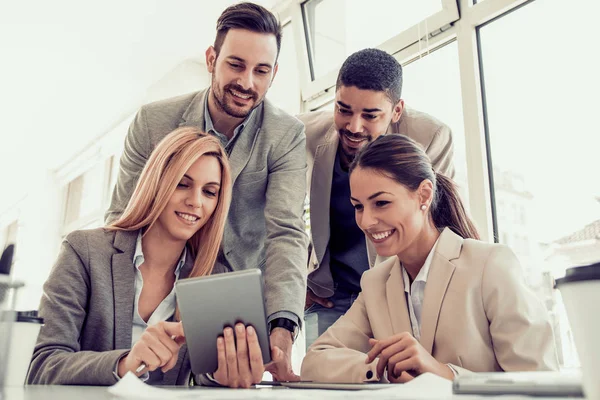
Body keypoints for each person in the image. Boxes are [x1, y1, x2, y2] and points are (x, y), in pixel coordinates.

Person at [104, 3, 307, 379]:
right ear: (212, 58)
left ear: (274, 73)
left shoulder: (287, 135)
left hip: (236, 295)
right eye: (236, 64)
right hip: (161, 282)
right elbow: (122, 217)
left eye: (261, 71)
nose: (247, 82)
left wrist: (283, 327)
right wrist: (111, 311)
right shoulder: (153, 122)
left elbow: (287, 233)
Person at [301, 134, 558, 383]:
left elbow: (539, 382)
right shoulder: (375, 283)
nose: (366, 221)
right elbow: (315, 360)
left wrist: (440, 373)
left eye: (381, 203)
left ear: (424, 195)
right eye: (358, 206)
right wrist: (381, 368)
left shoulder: (490, 266)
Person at [28, 127, 269, 387]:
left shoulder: (216, 279)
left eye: (209, 192)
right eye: (182, 184)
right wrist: (124, 364)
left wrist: (220, 376)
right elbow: (42, 366)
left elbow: (198, 381)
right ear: (157, 182)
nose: (195, 202)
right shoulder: (84, 251)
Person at [298, 48, 455, 346]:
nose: (354, 127)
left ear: (397, 111)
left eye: (370, 115)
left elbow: (436, 222)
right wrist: (294, 285)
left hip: (402, 288)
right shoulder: (303, 134)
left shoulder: (430, 138)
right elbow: (279, 218)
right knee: (325, 381)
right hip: (331, 295)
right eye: (343, 110)